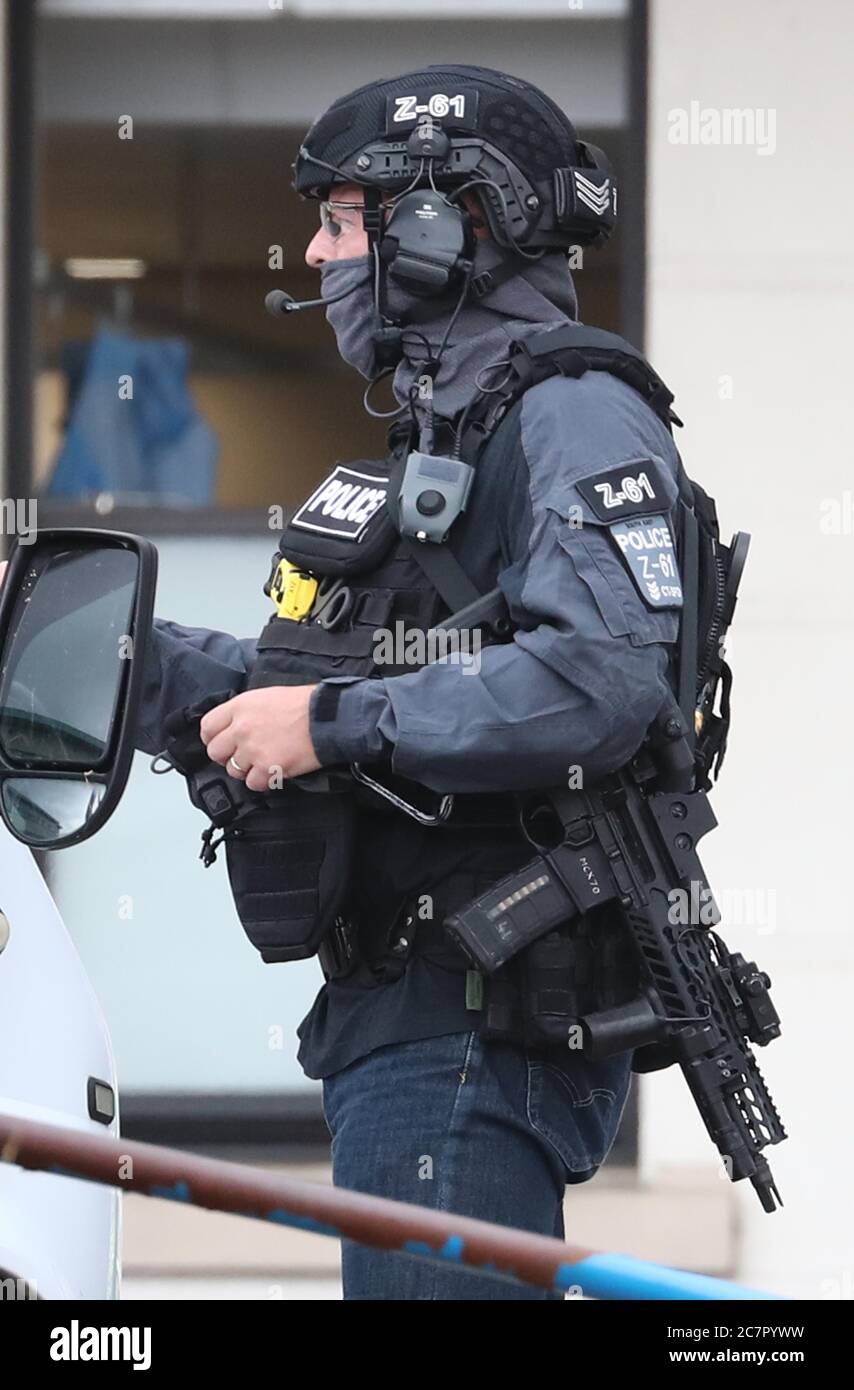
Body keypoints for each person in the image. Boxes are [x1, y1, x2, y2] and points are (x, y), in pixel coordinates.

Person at [134, 65, 688, 1301]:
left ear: (437, 231)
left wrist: (330, 726)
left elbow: (599, 679)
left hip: (470, 1031)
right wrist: (112, 659)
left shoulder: (573, 412)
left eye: (338, 221)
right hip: (417, 1029)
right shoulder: (455, 434)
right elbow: (323, 679)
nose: (313, 251)